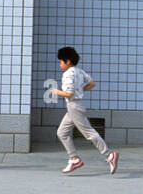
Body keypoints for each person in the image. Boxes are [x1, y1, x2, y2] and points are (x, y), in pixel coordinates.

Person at [51, 46, 118, 175]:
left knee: (88, 132)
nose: (60, 65)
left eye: (61, 62)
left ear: (68, 61)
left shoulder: (67, 74)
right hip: (76, 106)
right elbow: (92, 83)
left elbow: (69, 93)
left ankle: (109, 155)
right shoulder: (79, 72)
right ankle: (74, 159)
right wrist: (80, 90)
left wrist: (56, 92)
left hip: (74, 106)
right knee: (62, 132)